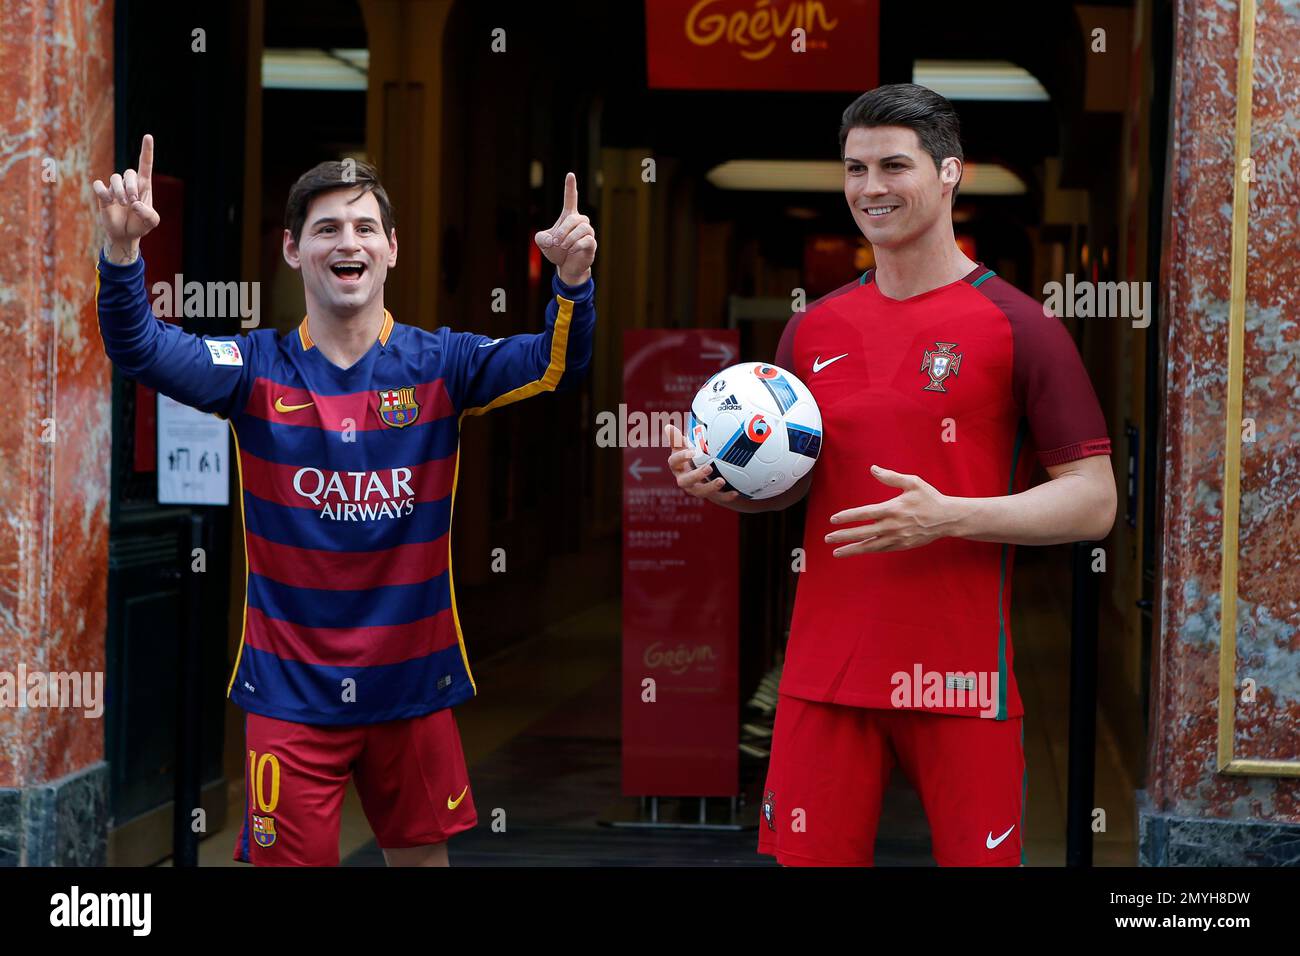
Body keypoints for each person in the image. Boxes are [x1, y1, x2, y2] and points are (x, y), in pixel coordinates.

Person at [93, 135, 597, 866]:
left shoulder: (442, 364)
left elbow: (555, 365)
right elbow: (139, 348)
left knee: (423, 861)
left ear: (391, 248)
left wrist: (573, 282)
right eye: (327, 228)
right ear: (294, 250)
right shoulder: (253, 369)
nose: (347, 242)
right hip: (290, 696)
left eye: (363, 228)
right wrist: (122, 257)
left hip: (413, 686)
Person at [665, 83, 1115, 867]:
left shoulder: (1023, 326)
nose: (871, 188)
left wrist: (952, 516)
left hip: (961, 677)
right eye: (855, 169)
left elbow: (1094, 501)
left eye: (894, 166)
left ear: (950, 173)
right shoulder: (812, 328)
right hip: (824, 672)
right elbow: (803, 482)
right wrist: (729, 486)